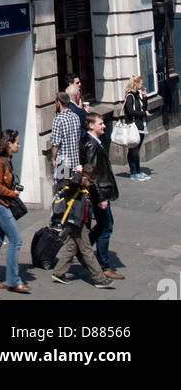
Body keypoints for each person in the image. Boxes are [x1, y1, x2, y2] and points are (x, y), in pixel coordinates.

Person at [50, 167, 116, 289]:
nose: (91, 185)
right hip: (75, 221)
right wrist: (79, 173)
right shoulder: (75, 184)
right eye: (90, 182)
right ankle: (100, 279)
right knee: (86, 250)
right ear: (85, 178)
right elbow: (74, 181)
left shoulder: (84, 186)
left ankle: (58, 273)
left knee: (71, 247)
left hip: (80, 221)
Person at [79, 112, 124, 280]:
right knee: (106, 227)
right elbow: (92, 173)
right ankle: (103, 265)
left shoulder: (93, 142)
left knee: (104, 225)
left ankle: (83, 250)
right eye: (101, 123)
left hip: (101, 192)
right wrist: (101, 198)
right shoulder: (91, 145)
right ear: (91, 126)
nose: (104, 126)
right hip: (100, 193)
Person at [0, 129, 29, 293]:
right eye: (17, 142)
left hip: (2, 203)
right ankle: (13, 280)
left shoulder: (7, 160)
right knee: (16, 240)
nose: (19, 145)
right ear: (9, 144)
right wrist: (13, 193)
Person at [123, 74, 151, 180]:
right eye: (141, 83)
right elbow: (130, 112)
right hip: (134, 126)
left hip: (140, 125)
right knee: (133, 150)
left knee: (136, 150)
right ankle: (134, 172)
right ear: (136, 83)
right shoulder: (130, 96)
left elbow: (142, 108)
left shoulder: (137, 94)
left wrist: (144, 98)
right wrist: (144, 114)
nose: (142, 85)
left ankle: (138, 171)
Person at [50, 90, 82, 182]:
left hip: (63, 162)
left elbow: (56, 143)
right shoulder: (75, 117)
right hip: (75, 159)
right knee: (75, 187)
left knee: (63, 188)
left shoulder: (58, 120)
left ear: (59, 103)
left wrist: (53, 159)